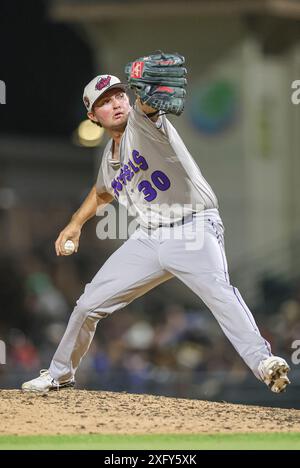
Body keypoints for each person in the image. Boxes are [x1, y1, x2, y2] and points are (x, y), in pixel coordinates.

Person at [22, 65, 290, 394]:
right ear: (93, 116)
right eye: (105, 101)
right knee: (87, 305)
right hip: (149, 237)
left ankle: (264, 361)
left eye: (120, 94)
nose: (117, 102)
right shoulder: (110, 156)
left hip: (193, 226)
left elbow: (149, 105)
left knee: (218, 291)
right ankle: (60, 373)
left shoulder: (141, 123)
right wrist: (75, 224)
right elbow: (102, 190)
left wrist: (146, 89)